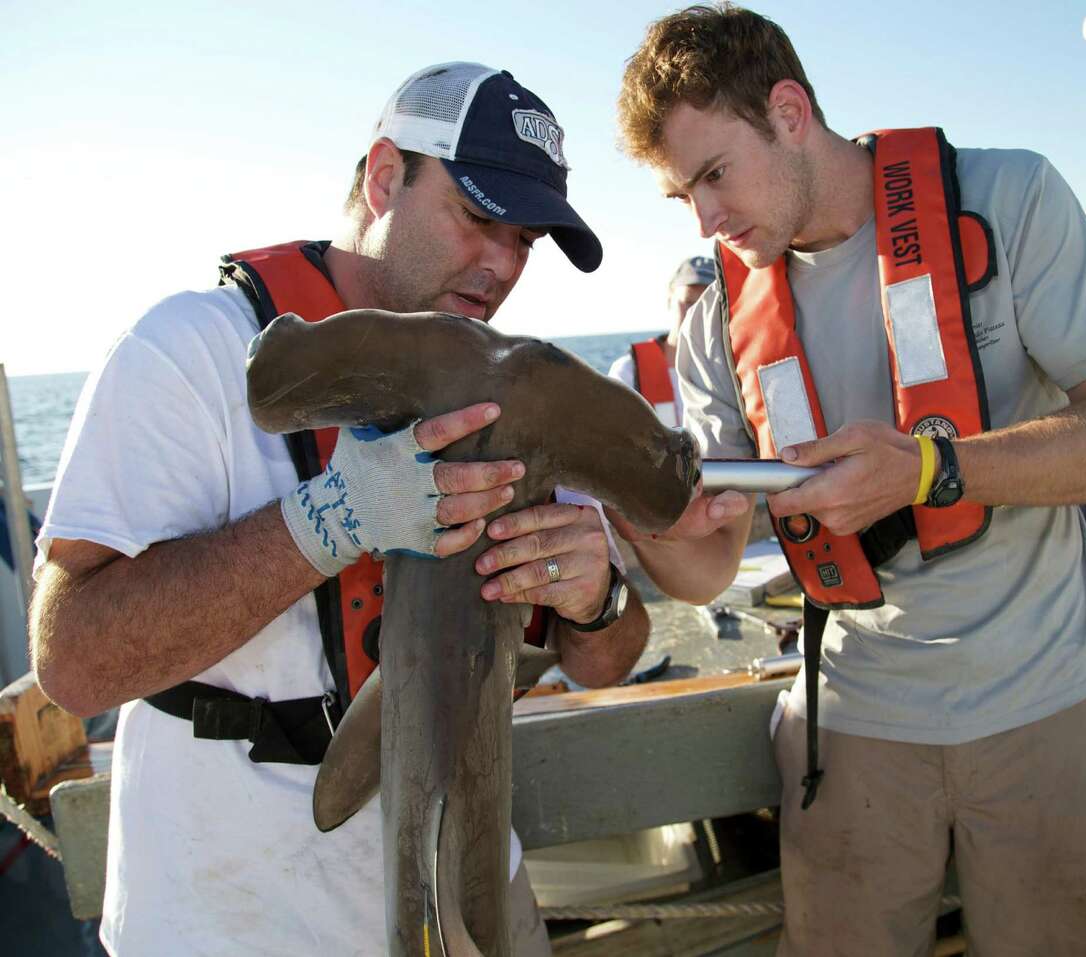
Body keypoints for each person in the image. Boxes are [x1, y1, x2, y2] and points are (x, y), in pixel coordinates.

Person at [29, 62, 648, 956]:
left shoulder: (511, 392)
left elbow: (606, 661)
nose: (502, 265)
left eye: (526, 240)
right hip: (232, 918)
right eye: (477, 218)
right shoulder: (191, 354)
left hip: (473, 890)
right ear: (384, 173)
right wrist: (327, 523)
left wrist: (600, 599)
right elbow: (72, 661)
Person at [612, 5, 1086, 955]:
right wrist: (629, 522)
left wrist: (927, 467)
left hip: (1044, 711)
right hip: (851, 734)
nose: (705, 218)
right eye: (682, 198)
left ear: (790, 112)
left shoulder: (1011, 199)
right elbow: (707, 568)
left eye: (713, 175)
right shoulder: (713, 323)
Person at [608, 255, 716, 426]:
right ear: (669, 301)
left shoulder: (735, 373)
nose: (695, 314)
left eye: (707, 306)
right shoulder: (628, 371)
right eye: (688, 302)